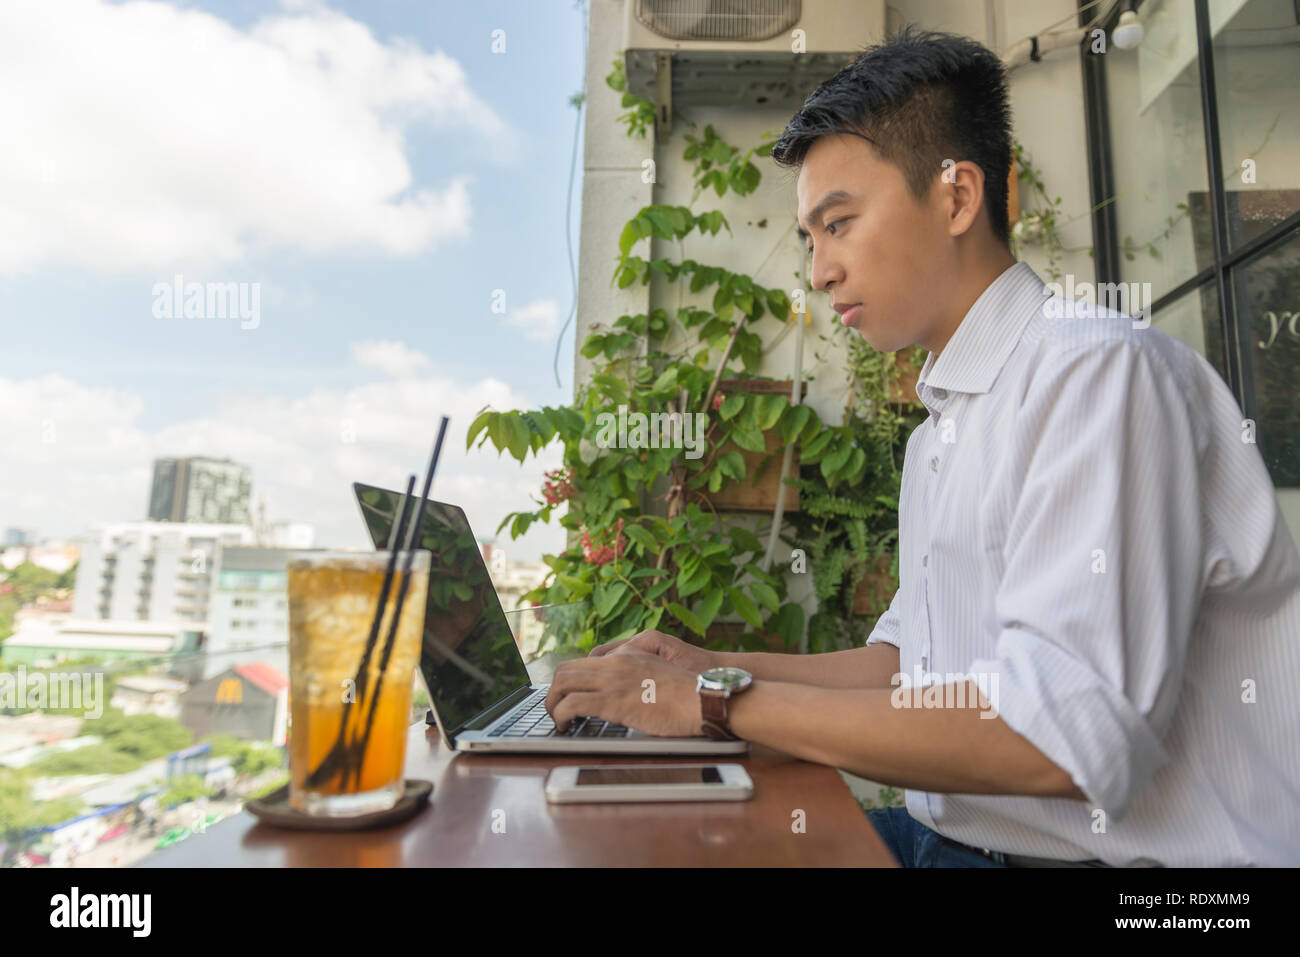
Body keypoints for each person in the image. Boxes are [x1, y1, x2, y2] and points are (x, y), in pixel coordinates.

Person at [544, 27, 1300, 867]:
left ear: (956, 197)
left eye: (838, 224)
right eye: (810, 239)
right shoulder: (944, 425)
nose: (820, 270)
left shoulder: (1097, 375)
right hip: (960, 843)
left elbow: (1067, 735)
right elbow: (907, 664)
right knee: (666, 847)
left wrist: (715, 700)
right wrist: (704, 661)